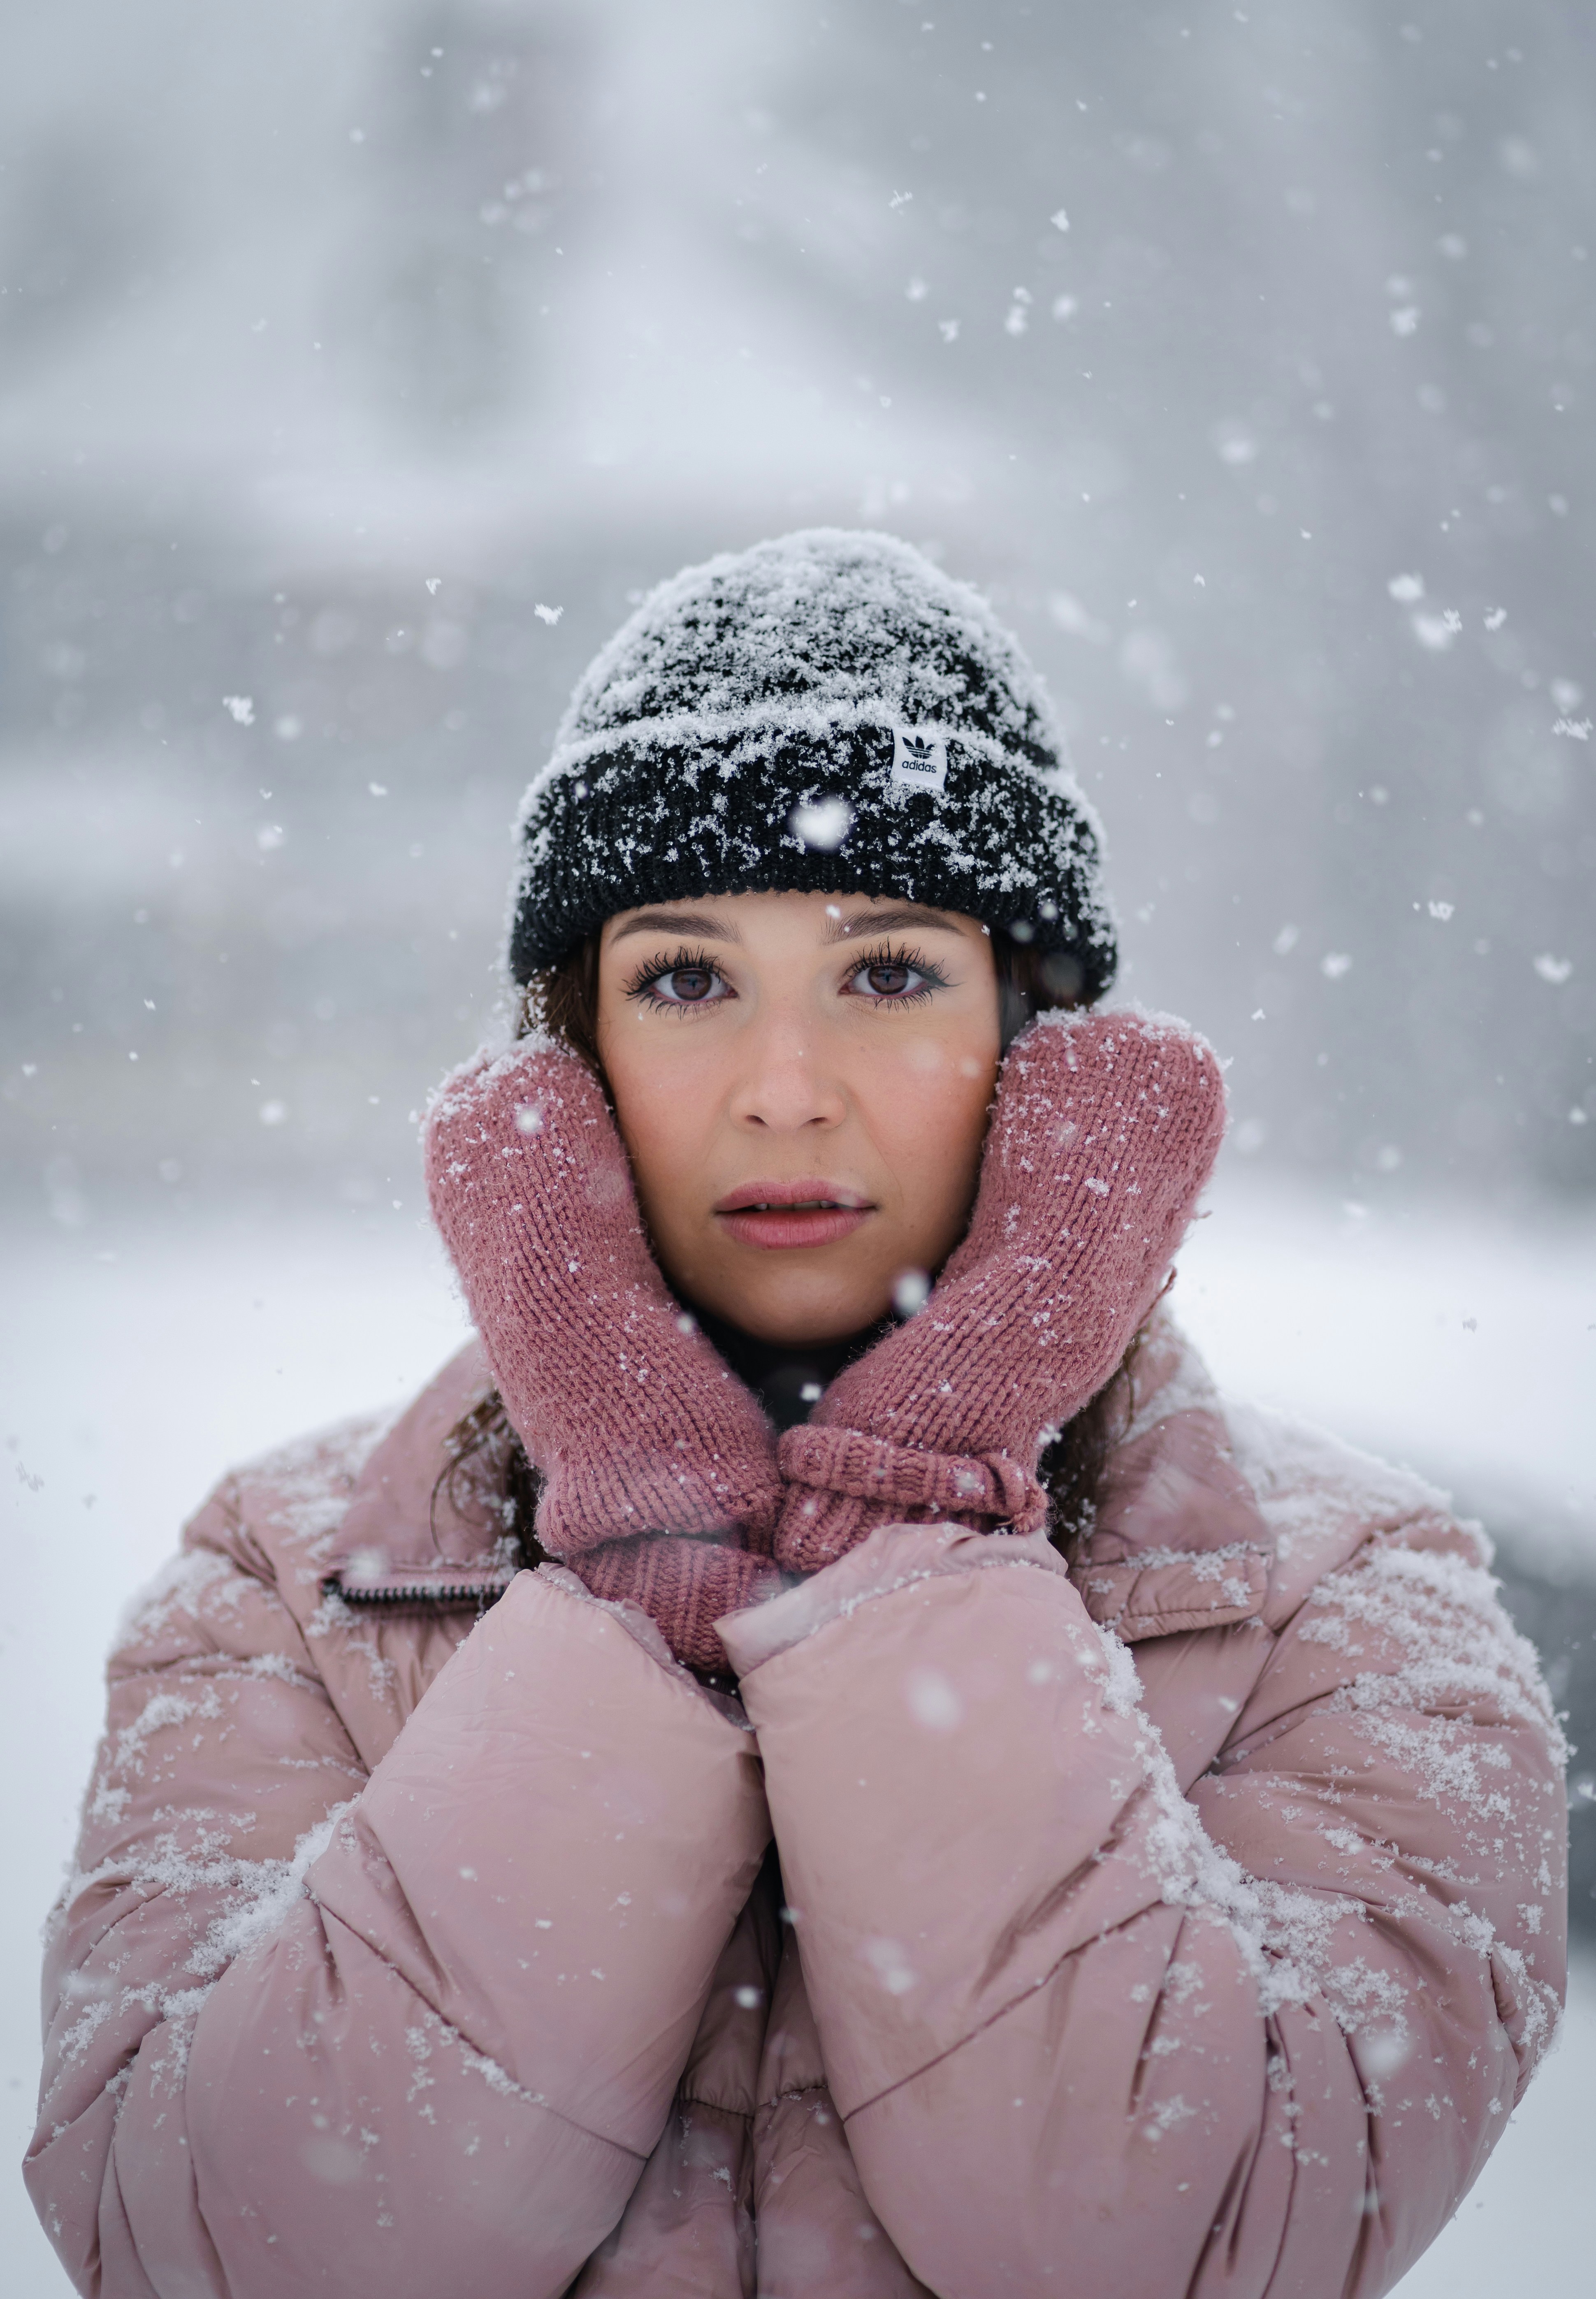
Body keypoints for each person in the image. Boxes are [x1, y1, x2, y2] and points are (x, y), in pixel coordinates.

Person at [28, 531, 1567, 2298]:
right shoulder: (287, 1582)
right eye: (684, 981)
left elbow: (1184, 2241)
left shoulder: (1354, 1602)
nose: (781, 1092)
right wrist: (641, 1578)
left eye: (892, 975)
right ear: (566, 1065)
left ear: (1047, 1047)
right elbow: (224, 2250)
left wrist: (913, 1510)